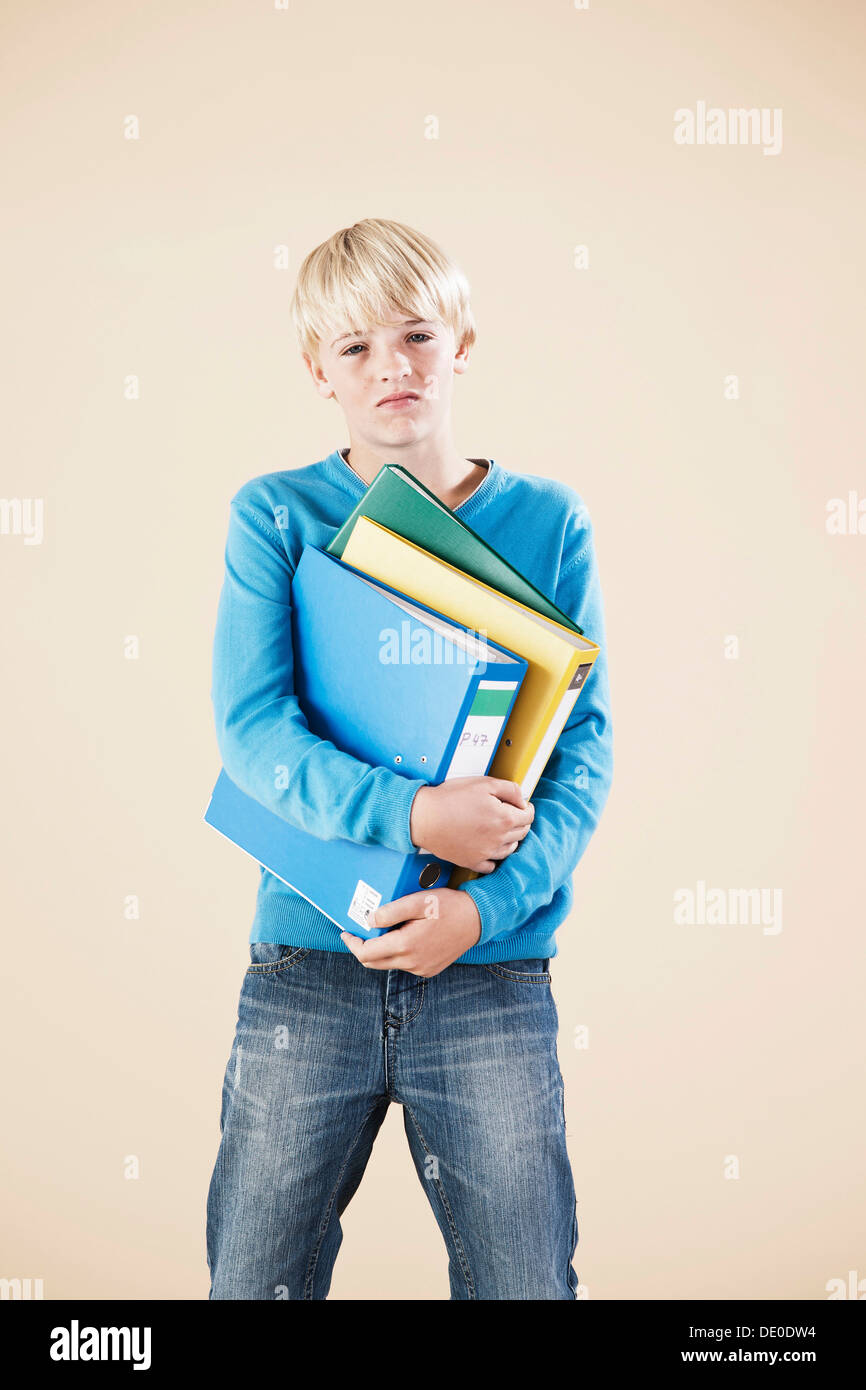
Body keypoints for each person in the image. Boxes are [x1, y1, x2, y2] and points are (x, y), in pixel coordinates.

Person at [205, 217, 614, 1300]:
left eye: (417, 335)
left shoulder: (547, 521)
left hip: (491, 976)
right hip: (307, 967)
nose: (390, 366)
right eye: (353, 348)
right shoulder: (277, 515)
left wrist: (484, 910)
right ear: (316, 371)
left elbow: (581, 757)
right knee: (249, 1283)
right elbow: (253, 733)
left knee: (525, 1285)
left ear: (461, 344)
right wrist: (414, 816)